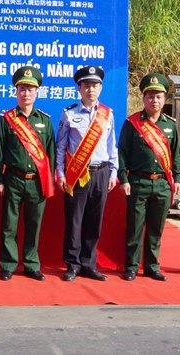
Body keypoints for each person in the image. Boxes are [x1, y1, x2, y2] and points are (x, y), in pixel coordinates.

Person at [56, 65, 118, 282]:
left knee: (94, 220)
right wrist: (60, 173)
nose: (90, 90)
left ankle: (88, 264)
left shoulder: (107, 115)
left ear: (100, 88)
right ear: (79, 89)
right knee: (74, 220)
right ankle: (72, 264)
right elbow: (61, 146)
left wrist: (113, 172)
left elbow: (112, 145)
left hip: (101, 173)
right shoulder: (69, 113)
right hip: (77, 173)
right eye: (86, 86)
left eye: (94, 85)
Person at [118, 73, 180, 281]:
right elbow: (122, 153)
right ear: (144, 99)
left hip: (162, 183)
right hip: (138, 181)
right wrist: (124, 179)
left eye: (159, 97)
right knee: (135, 227)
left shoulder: (170, 125)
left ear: (164, 100)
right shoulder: (132, 123)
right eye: (150, 96)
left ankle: (152, 266)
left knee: (156, 228)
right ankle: (131, 266)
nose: (154, 100)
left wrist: (178, 179)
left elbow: (176, 155)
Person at [0, 66, 55, 281]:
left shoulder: (45, 120)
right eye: (22, 89)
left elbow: (51, 154)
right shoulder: (6, 119)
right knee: (9, 224)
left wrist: (50, 181)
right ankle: (8, 264)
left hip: (37, 182)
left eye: (30, 89)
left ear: (37, 92)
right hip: (13, 179)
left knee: (34, 224)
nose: (26, 93)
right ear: (16, 91)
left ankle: (31, 264)